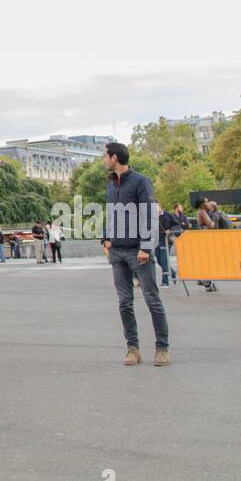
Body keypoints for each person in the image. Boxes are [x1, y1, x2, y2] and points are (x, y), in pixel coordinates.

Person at [101, 142, 169, 366]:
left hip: (137, 251)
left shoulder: (141, 181)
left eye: (105, 156)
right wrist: (106, 238)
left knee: (152, 300)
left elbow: (150, 214)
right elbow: (111, 215)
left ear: (114, 158)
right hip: (117, 251)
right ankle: (133, 349)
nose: (103, 159)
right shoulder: (111, 185)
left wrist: (145, 247)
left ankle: (162, 349)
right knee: (124, 303)